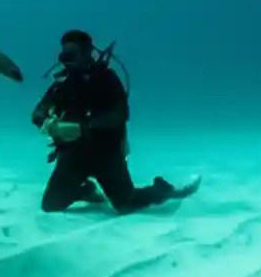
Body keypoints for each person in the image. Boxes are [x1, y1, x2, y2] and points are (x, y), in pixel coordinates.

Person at [32, 29, 199, 215]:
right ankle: (85, 190)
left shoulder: (106, 79)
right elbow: (38, 112)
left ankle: (162, 189)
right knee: (50, 205)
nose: (67, 60)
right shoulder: (62, 84)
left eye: (72, 55)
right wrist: (47, 124)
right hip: (73, 155)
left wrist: (82, 127)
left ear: (87, 53)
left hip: (106, 154)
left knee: (127, 205)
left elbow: (119, 115)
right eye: (64, 55)